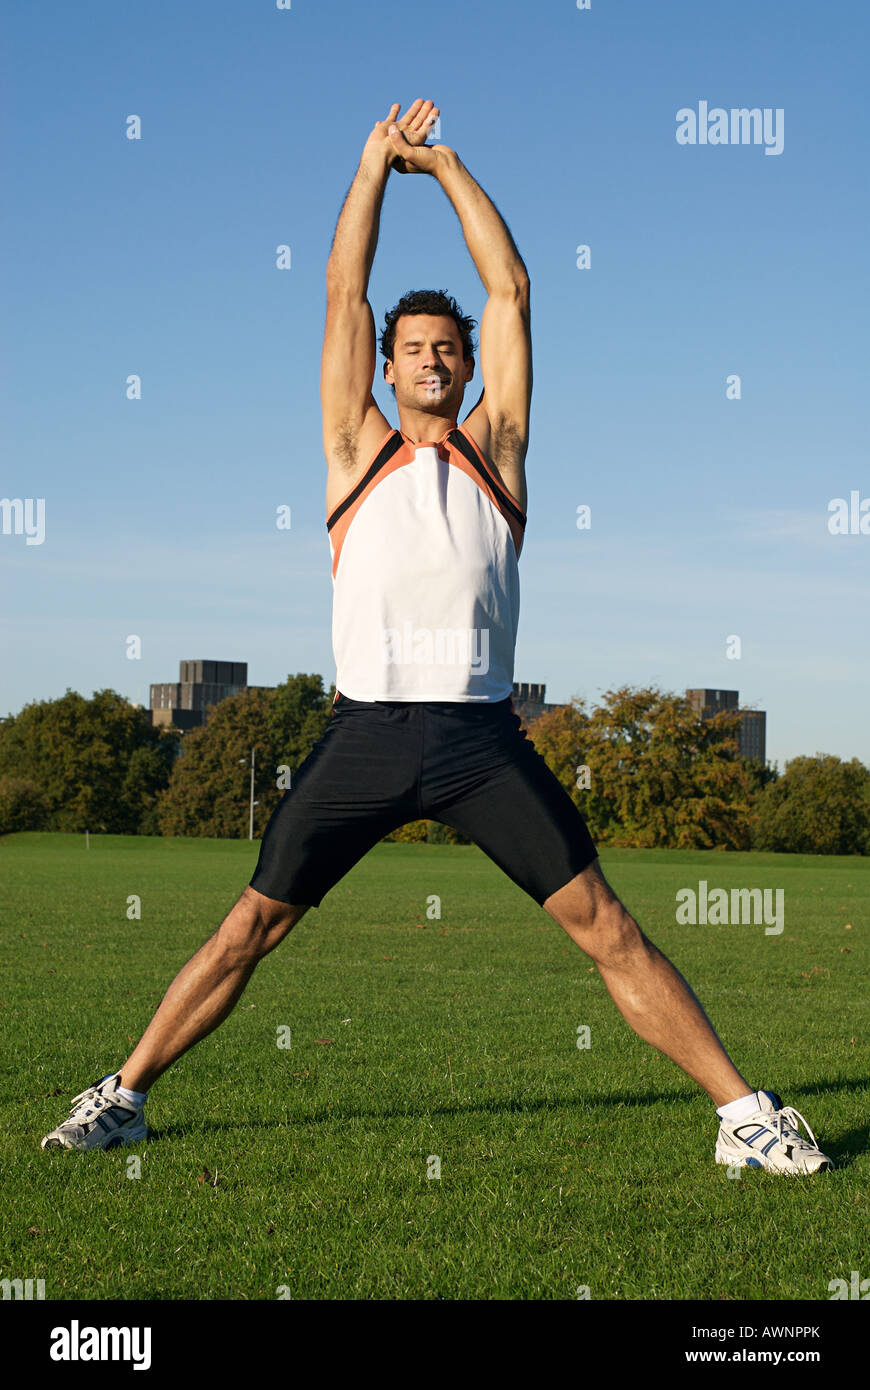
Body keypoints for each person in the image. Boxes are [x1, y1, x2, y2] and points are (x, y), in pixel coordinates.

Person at [42, 100, 832, 1175]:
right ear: (386, 365)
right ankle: (125, 1094)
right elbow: (342, 292)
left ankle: (746, 1115)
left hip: (479, 741)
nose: (429, 361)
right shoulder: (350, 445)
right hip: (365, 732)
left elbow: (512, 289)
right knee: (249, 928)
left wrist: (450, 167)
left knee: (604, 922)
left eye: (446, 350)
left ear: (465, 369)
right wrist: (371, 166)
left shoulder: (496, 451)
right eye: (411, 349)